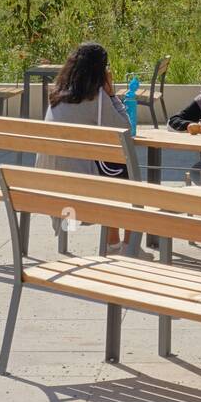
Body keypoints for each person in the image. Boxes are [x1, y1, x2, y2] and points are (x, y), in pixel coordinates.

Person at [36, 42, 148, 257]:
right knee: (126, 174)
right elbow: (125, 128)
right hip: (83, 184)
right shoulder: (96, 97)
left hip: (51, 181)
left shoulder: (57, 95)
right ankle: (127, 246)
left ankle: (113, 241)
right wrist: (112, 94)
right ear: (100, 70)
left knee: (113, 168)